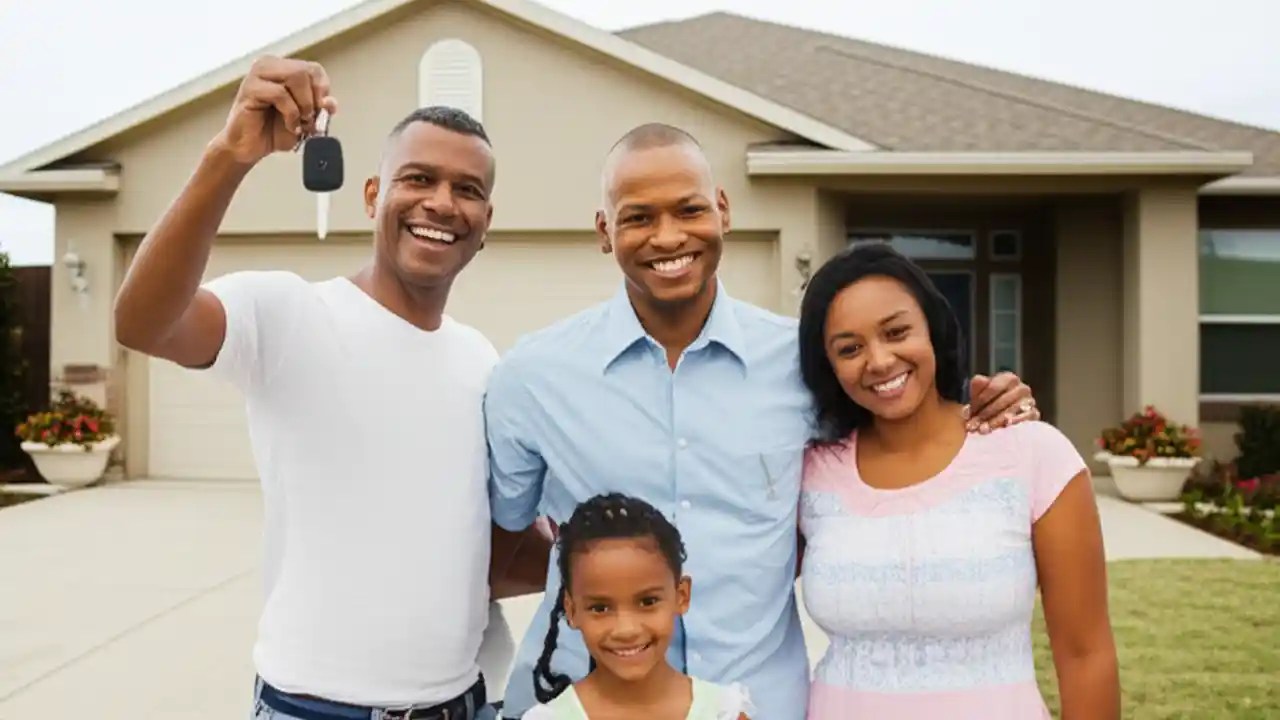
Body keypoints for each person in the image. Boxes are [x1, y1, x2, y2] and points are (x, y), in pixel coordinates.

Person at [484, 122, 1040, 720]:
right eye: (639, 217)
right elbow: (501, 538)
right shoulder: (533, 376)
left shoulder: (806, 365)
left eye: (689, 209)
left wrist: (994, 407)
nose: (667, 236)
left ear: (722, 211)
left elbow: (906, 429)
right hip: (578, 703)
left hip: (757, 705)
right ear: (604, 230)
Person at [113, 56, 548, 719]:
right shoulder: (289, 314)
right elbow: (145, 322)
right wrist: (230, 154)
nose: (441, 202)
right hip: (312, 709)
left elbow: (484, 551)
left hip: (463, 704)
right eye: (419, 178)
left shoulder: (481, 361)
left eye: (466, 189)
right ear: (373, 195)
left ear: (485, 221)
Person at [795, 242, 1120, 719]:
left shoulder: (1033, 455)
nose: (880, 360)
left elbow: (1086, 655)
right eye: (850, 348)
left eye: (897, 331)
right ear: (827, 365)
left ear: (932, 329)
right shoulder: (809, 472)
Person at [521, 493, 754, 720]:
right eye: (600, 608)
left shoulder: (723, 713)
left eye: (647, 602)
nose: (626, 629)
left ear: (681, 596)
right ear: (571, 610)